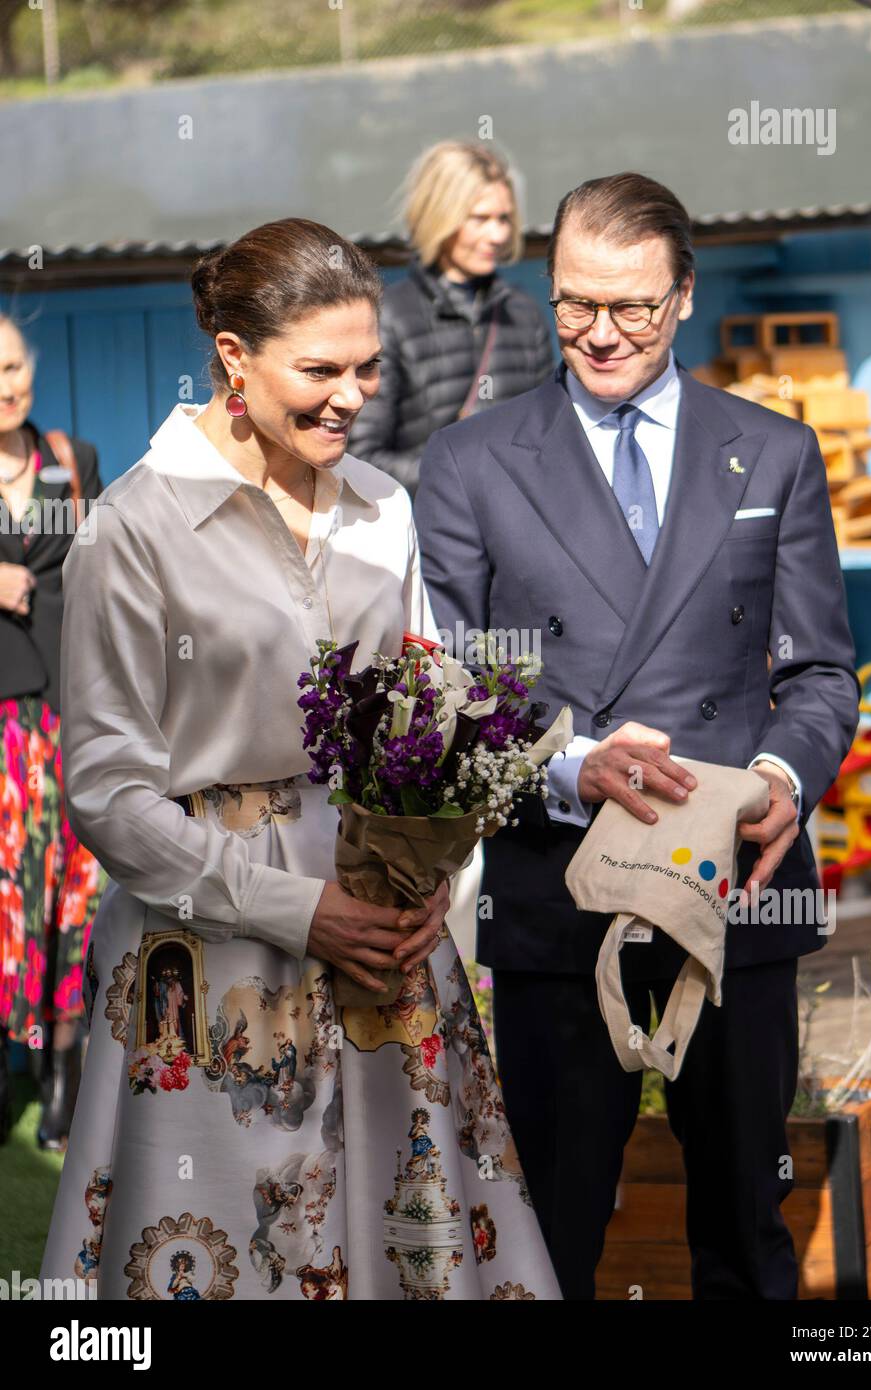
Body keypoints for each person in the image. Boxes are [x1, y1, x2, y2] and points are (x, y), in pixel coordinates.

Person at [40, 218, 560, 1302]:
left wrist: (435, 887)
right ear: (233, 357)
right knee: (223, 1252)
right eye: (320, 370)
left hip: (388, 940)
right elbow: (106, 790)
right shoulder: (131, 529)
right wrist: (293, 908)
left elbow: (429, 721)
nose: (353, 396)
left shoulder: (386, 508)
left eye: (368, 367)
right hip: (211, 965)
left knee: (403, 1246)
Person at [415, 173, 861, 1300]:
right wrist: (570, 764)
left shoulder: (775, 451)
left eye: (634, 309)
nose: (600, 334)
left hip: (737, 891)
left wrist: (777, 778)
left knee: (747, 1232)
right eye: (574, 304)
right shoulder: (470, 464)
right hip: (559, 896)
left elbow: (818, 672)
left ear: (686, 296)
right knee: (549, 1235)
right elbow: (453, 686)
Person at [0, 313, 106, 1151]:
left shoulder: (72, 464)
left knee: (73, 893)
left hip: (70, 714)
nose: (9, 385)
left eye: (14, 366)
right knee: (7, 898)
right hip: (1, 725)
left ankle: (62, 1071)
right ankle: (15, 1065)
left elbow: (108, 571)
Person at [346, 141, 555, 497]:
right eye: (480, 219)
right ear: (440, 217)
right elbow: (361, 459)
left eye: (503, 218)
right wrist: (468, 472)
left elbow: (549, 437)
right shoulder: (389, 318)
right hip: (432, 536)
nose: (498, 235)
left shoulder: (523, 314)